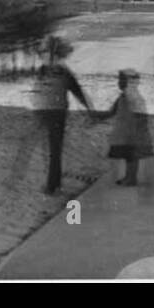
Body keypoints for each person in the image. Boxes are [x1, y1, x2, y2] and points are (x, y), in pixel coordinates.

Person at [30, 38, 94, 194]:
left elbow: (76, 91)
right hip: (51, 112)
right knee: (53, 150)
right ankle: (54, 184)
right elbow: (38, 90)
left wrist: (88, 109)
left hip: (52, 113)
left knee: (53, 150)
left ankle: (53, 186)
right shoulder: (50, 71)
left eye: (47, 53)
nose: (45, 56)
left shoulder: (54, 71)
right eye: (44, 53)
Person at [95, 68, 154, 186]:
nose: (119, 83)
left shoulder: (133, 96)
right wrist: (98, 116)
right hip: (126, 131)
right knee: (129, 155)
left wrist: (140, 129)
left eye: (122, 80)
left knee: (132, 155)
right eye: (119, 80)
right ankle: (129, 177)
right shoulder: (124, 96)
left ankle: (131, 178)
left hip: (132, 131)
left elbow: (141, 115)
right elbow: (112, 111)